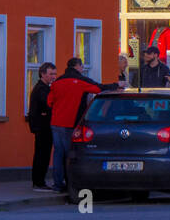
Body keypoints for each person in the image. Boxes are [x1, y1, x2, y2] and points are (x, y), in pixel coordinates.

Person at [47, 57, 113, 192]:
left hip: (56, 122)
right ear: (77, 66)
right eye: (81, 67)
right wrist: (115, 85)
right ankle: (70, 183)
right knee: (69, 154)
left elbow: (49, 102)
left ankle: (57, 183)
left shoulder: (57, 82)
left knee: (58, 153)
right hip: (71, 123)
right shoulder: (80, 81)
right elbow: (97, 89)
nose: (82, 69)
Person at [27, 62, 57, 191]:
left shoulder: (43, 88)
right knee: (42, 155)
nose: (53, 77)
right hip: (42, 126)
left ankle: (39, 181)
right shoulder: (41, 89)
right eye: (51, 74)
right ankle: (39, 182)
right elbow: (48, 104)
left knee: (42, 154)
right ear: (43, 74)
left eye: (55, 74)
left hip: (41, 126)